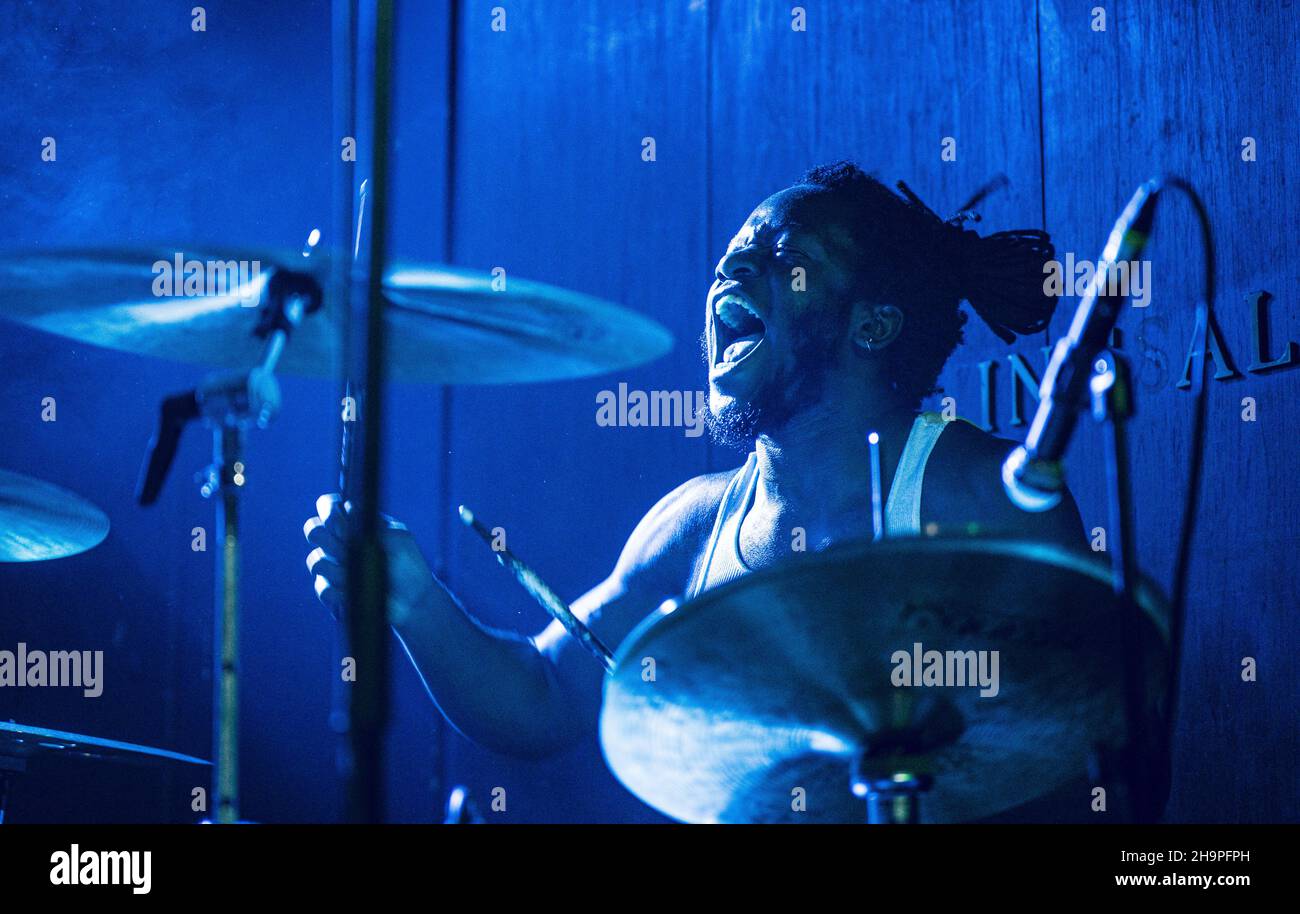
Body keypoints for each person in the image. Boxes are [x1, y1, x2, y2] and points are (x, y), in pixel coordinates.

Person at [304, 161, 1083, 763]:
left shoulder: (984, 493)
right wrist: (414, 602)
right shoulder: (693, 527)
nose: (730, 274)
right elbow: (544, 698)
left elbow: (1078, 724)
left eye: (784, 257)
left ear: (872, 325)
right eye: (729, 260)